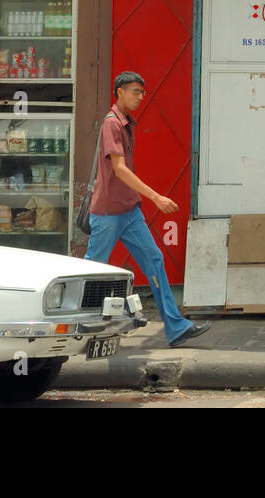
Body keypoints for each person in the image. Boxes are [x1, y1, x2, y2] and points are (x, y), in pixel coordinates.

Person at [86, 71, 210, 348]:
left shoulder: (127, 123)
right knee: (91, 271)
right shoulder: (112, 124)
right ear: (119, 91)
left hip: (129, 212)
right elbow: (119, 170)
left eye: (142, 92)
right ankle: (76, 327)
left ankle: (176, 327)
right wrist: (156, 197)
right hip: (108, 213)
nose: (140, 97)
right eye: (134, 91)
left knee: (154, 260)